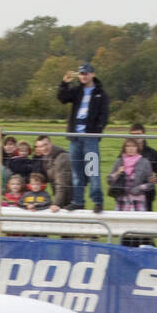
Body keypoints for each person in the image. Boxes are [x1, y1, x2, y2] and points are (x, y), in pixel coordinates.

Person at [57, 63, 109, 212]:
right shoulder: (77, 91)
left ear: (92, 74)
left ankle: (97, 201)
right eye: (81, 74)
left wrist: (96, 131)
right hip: (75, 138)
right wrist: (64, 83)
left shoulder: (101, 94)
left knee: (92, 171)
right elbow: (62, 98)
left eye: (85, 73)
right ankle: (78, 201)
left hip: (90, 138)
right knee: (77, 172)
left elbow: (104, 116)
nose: (83, 76)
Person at [107, 138, 153, 211]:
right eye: (128, 146)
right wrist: (117, 173)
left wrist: (140, 187)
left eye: (133, 146)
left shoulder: (145, 162)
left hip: (138, 201)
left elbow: (151, 184)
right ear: (124, 148)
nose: (131, 149)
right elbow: (109, 180)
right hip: (121, 201)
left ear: (137, 148)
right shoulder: (119, 161)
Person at [33, 135, 73, 213]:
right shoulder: (46, 157)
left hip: (69, 200)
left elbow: (61, 184)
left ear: (51, 144)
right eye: (40, 146)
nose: (44, 148)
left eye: (45, 144)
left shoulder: (61, 158)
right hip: (62, 198)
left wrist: (56, 203)